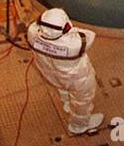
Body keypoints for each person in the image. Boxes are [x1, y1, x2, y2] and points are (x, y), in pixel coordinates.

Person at [26, 8, 104, 136]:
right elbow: (90, 34)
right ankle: (78, 125)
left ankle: (67, 103)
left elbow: (36, 25)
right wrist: (70, 30)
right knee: (82, 101)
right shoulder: (77, 43)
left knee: (62, 88)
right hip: (76, 79)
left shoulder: (32, 32)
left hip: (50, 73)